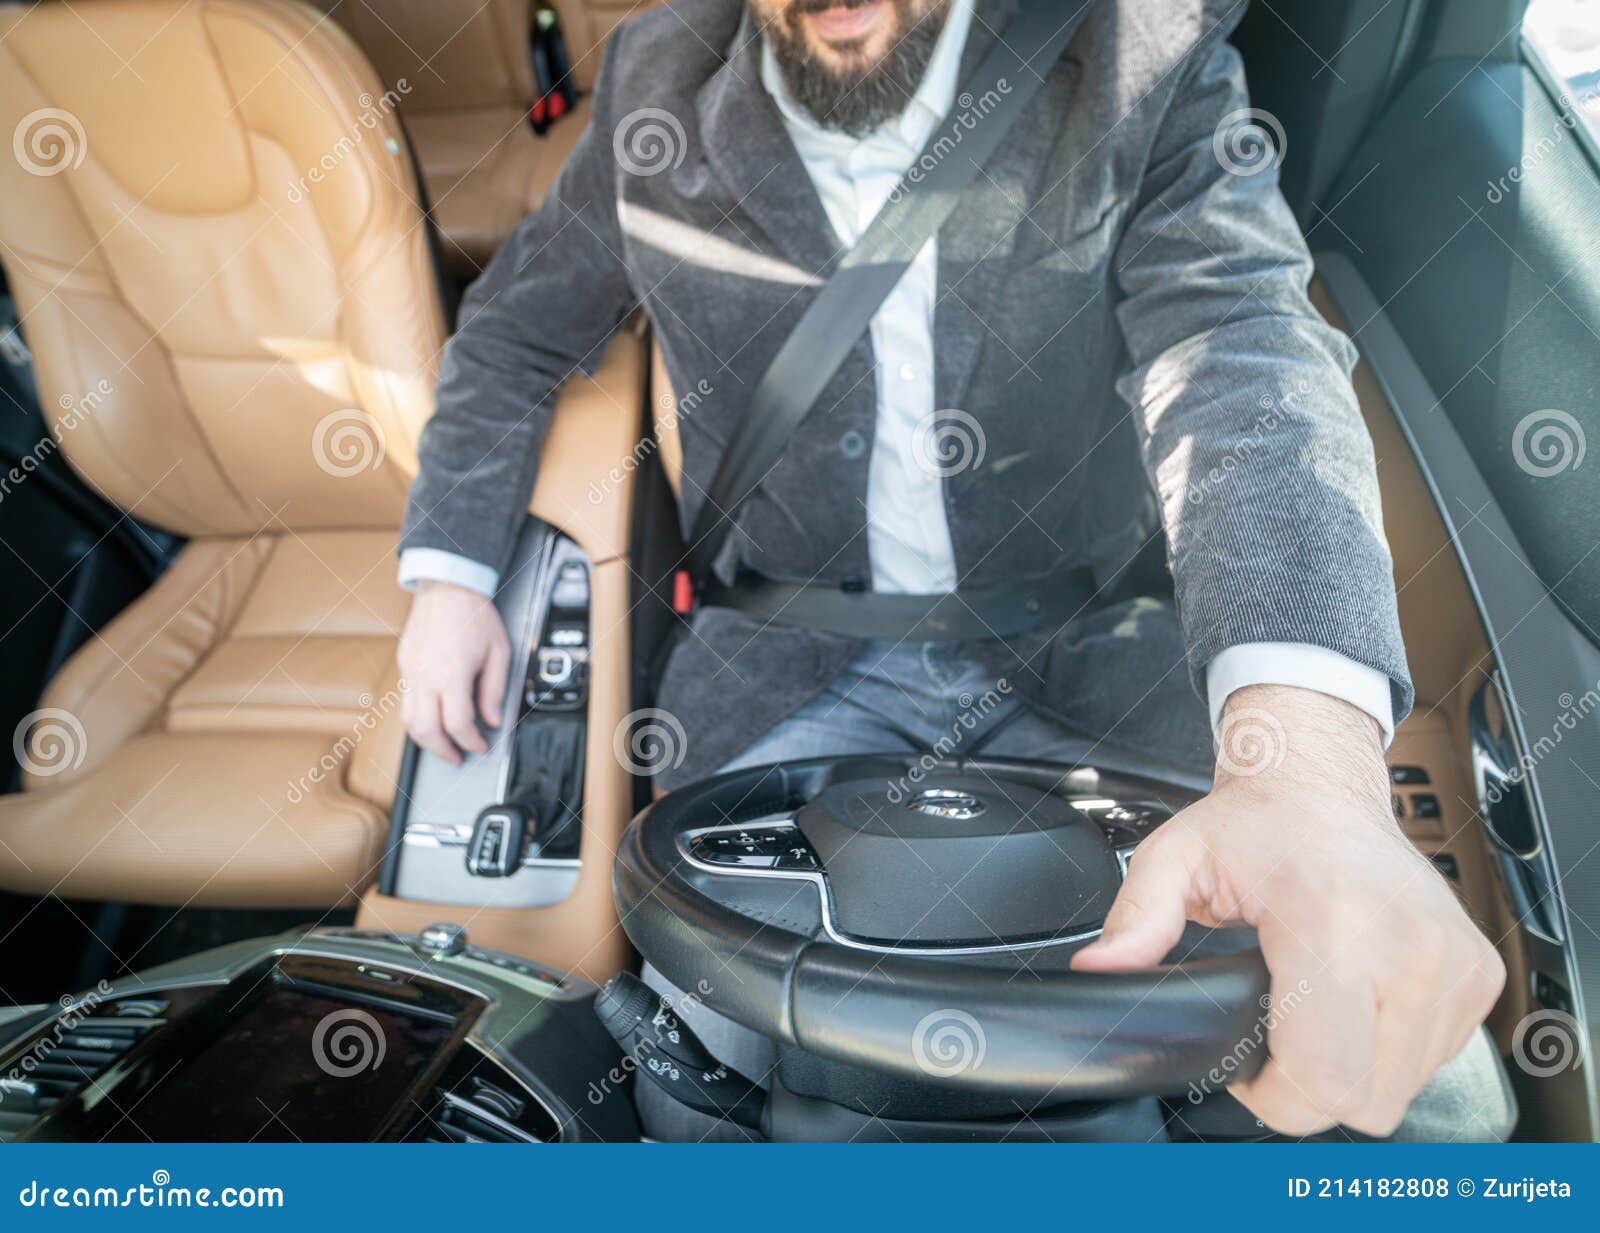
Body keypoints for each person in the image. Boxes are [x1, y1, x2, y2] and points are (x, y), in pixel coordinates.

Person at [396, 0, 1504, 1139]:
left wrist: (1306, 768)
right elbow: (516, 334)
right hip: (794, 668)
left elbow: (1235, 345)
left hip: (1094, 651)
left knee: (1439, 1109)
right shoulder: (654, 82)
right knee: (701, 1085)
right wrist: (452, 578)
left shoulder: (1139, 47)